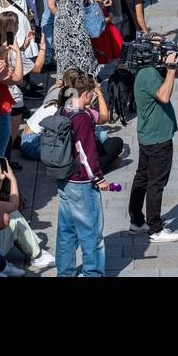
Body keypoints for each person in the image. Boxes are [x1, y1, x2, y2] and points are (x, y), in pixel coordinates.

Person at [129, 46, 178, 243]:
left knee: (142, 178)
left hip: (148, 135)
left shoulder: (148, 70)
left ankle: (136, 221)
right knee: (156, 183)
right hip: (158, 139)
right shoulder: (150, 75)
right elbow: (164, 96)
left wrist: (174, 65)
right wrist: (170, 70)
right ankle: (155, 228)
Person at [54, 72, 108, 277]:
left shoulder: (62, 110)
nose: (93, 99)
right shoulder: (82, 118)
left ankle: (65, 272)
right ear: (85, 94)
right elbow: (86, 152)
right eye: (92, 95)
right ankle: (93, 273)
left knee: (66, 231)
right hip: (83, 182)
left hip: (64, 179)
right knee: (91, 231)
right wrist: (99, 178)